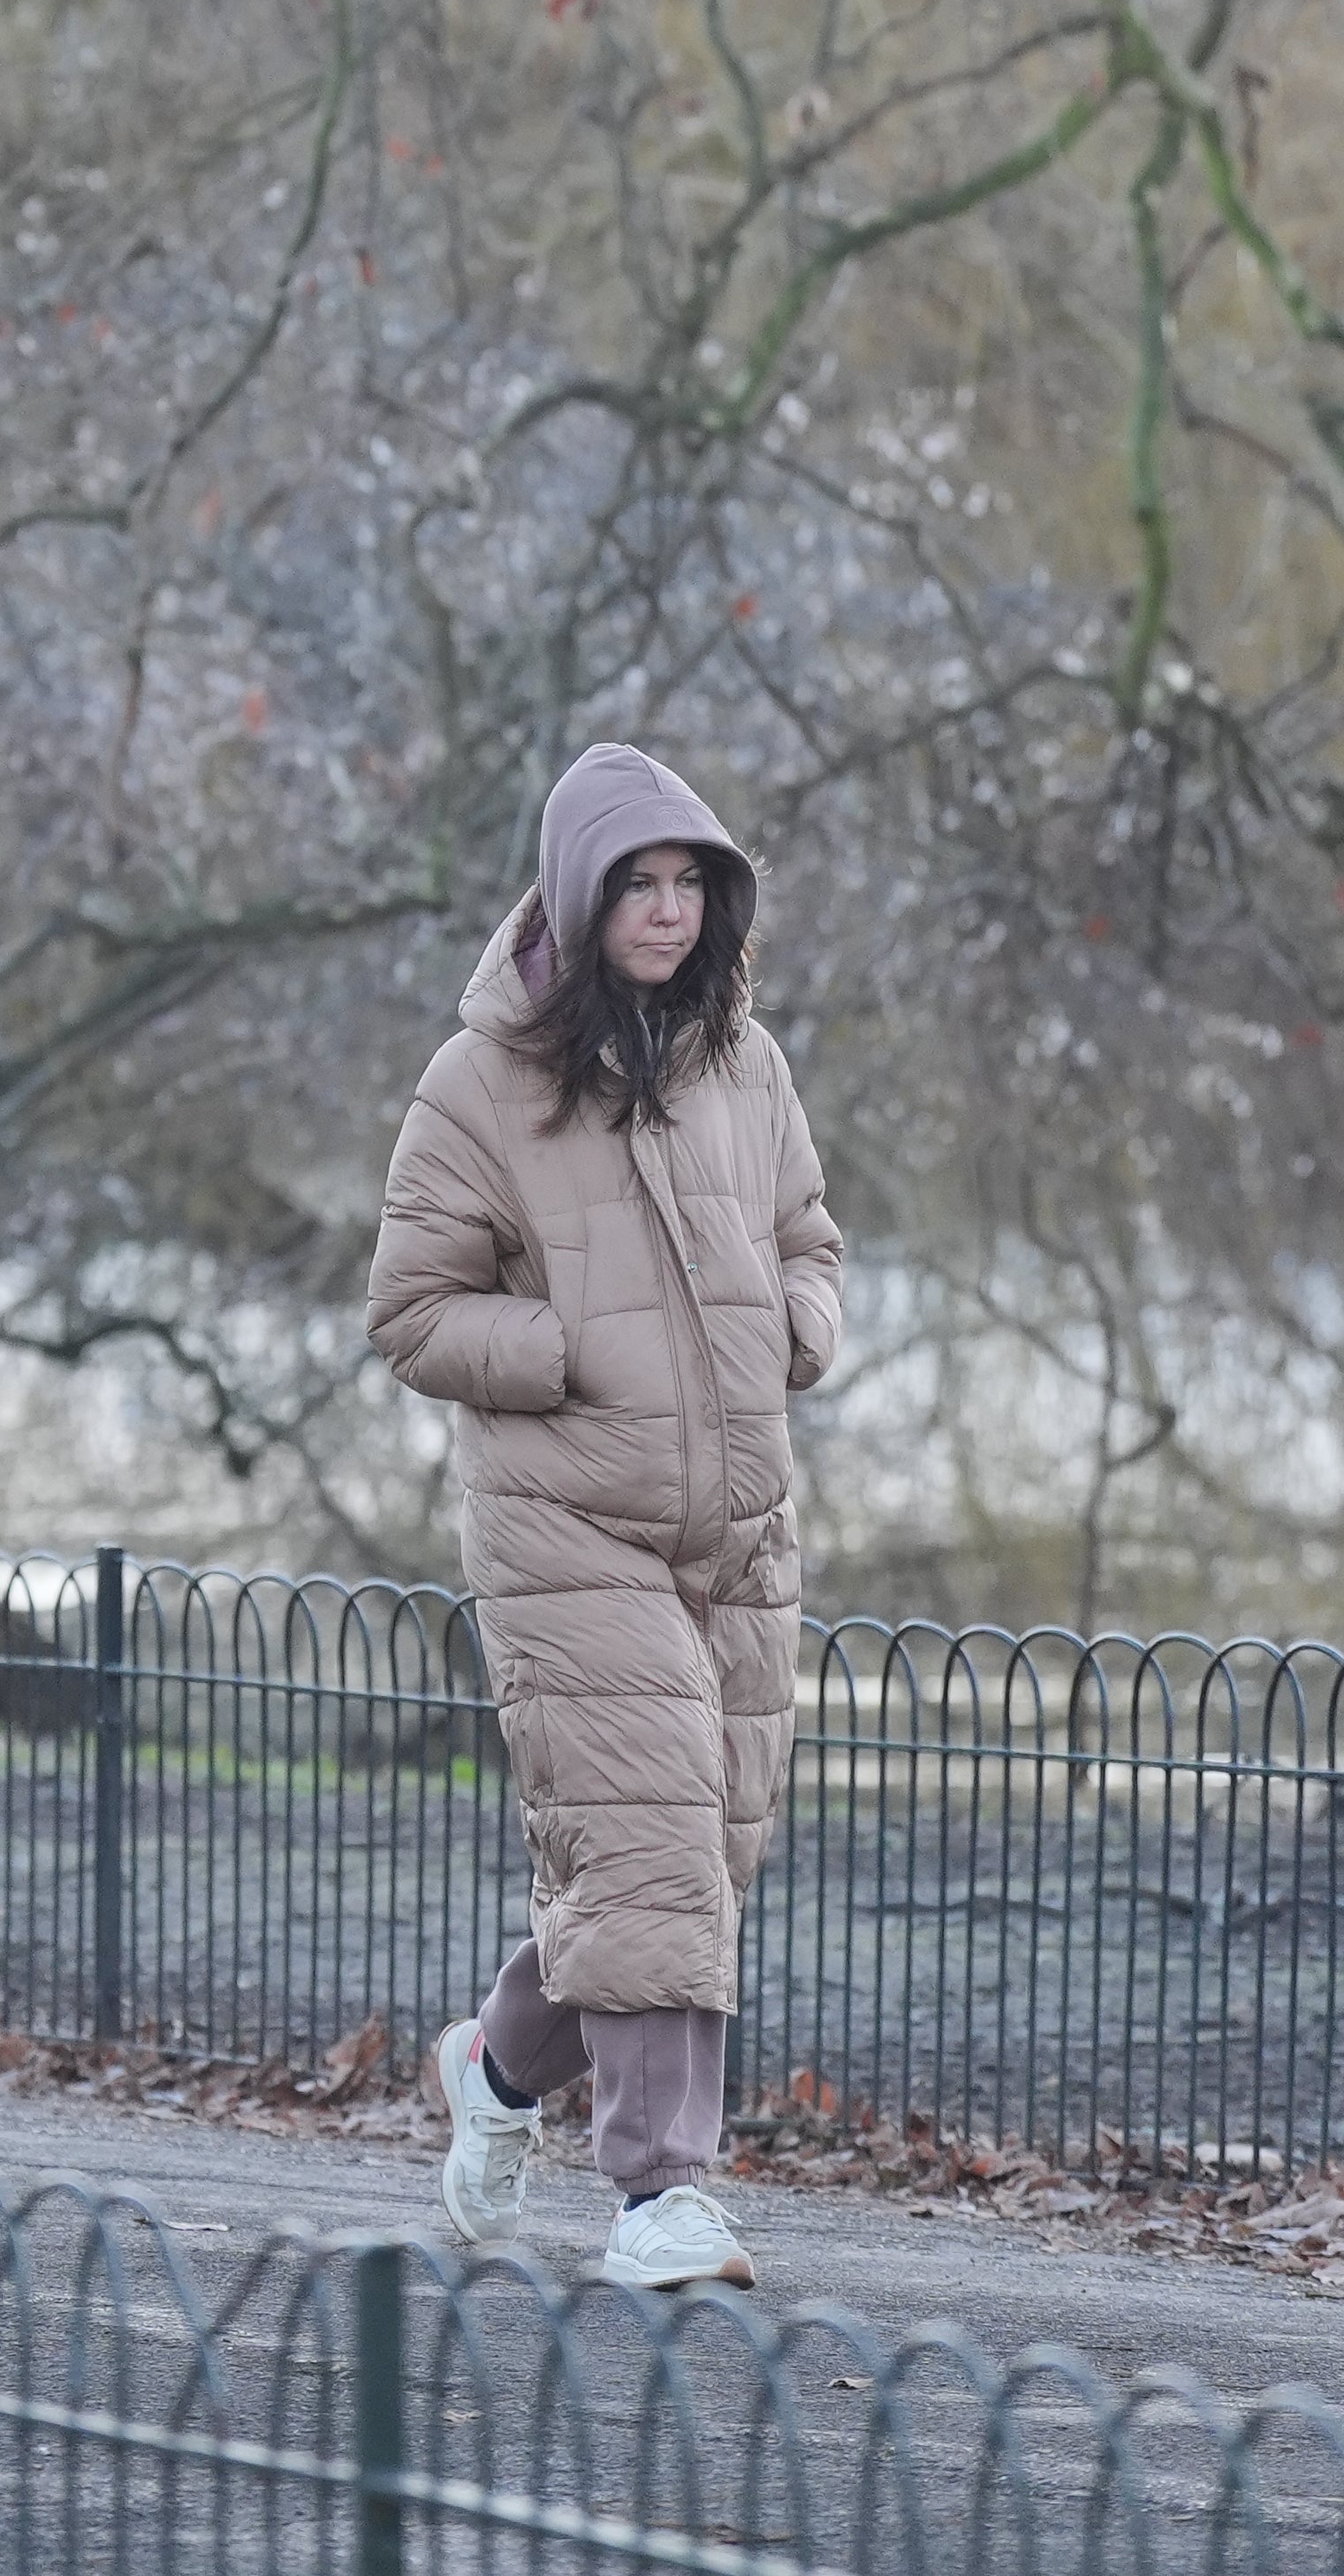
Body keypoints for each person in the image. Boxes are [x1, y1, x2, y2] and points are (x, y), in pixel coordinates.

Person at [364, 740, 843, 2291]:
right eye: (636, 883)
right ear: (575, 900)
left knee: (689, 1861)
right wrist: (570, 1351)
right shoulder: (478, 1084)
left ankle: (498, 2068)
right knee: (649, 1860)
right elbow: (412, 1313)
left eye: (688, 881)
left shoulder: (744, 1065)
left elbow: (808, 1237)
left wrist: (797, 1332)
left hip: (742, 1531)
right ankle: (660, 2197)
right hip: (569, 1524)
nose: (665, 910)